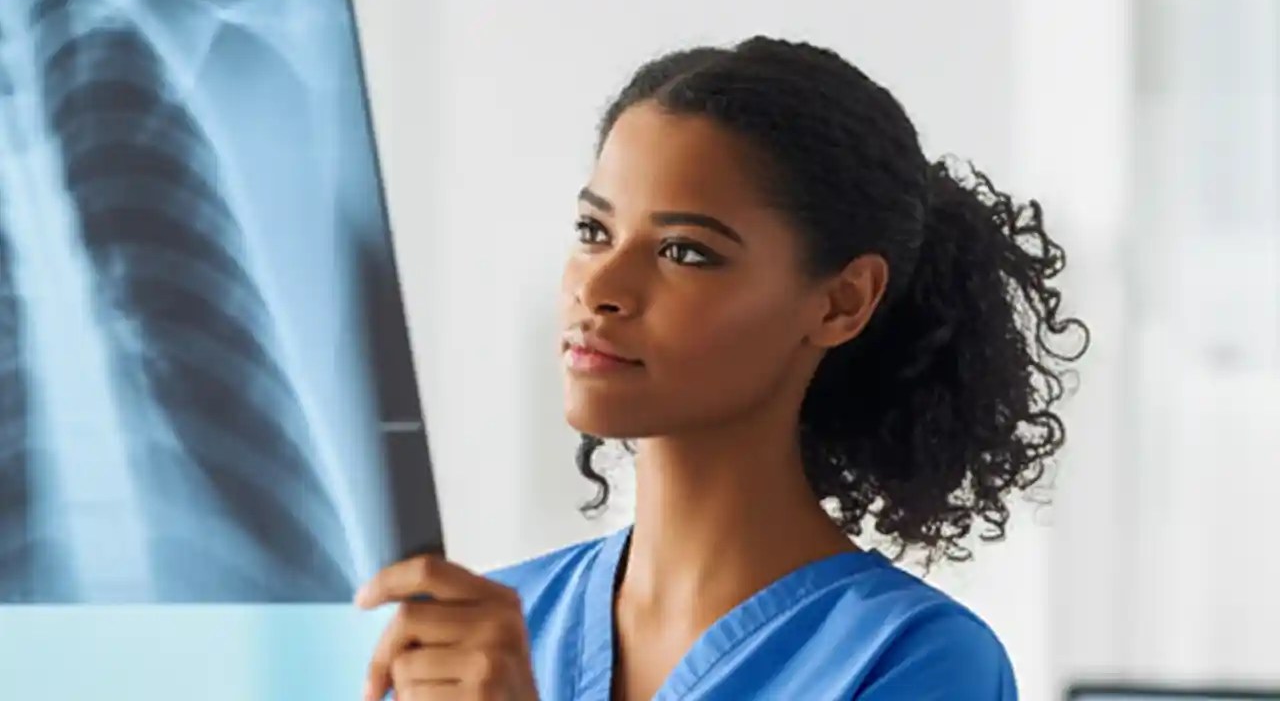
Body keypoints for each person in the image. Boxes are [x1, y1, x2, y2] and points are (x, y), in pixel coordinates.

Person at [353, 36, 1089, 701]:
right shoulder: (470, 642)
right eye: (593, 231)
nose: (599, 288)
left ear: (840, 302)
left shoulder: (913, 661)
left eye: (685, 252)